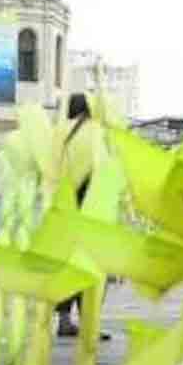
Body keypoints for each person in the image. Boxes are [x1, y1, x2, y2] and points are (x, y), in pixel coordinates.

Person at [54, 93, 108, 341]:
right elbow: (101, 169)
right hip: (88, 204)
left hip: (65, 204)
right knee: (89, 265)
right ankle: (88, 323)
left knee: (68, 264)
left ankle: (65, 320)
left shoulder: (61, 133)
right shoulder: (93, 133)